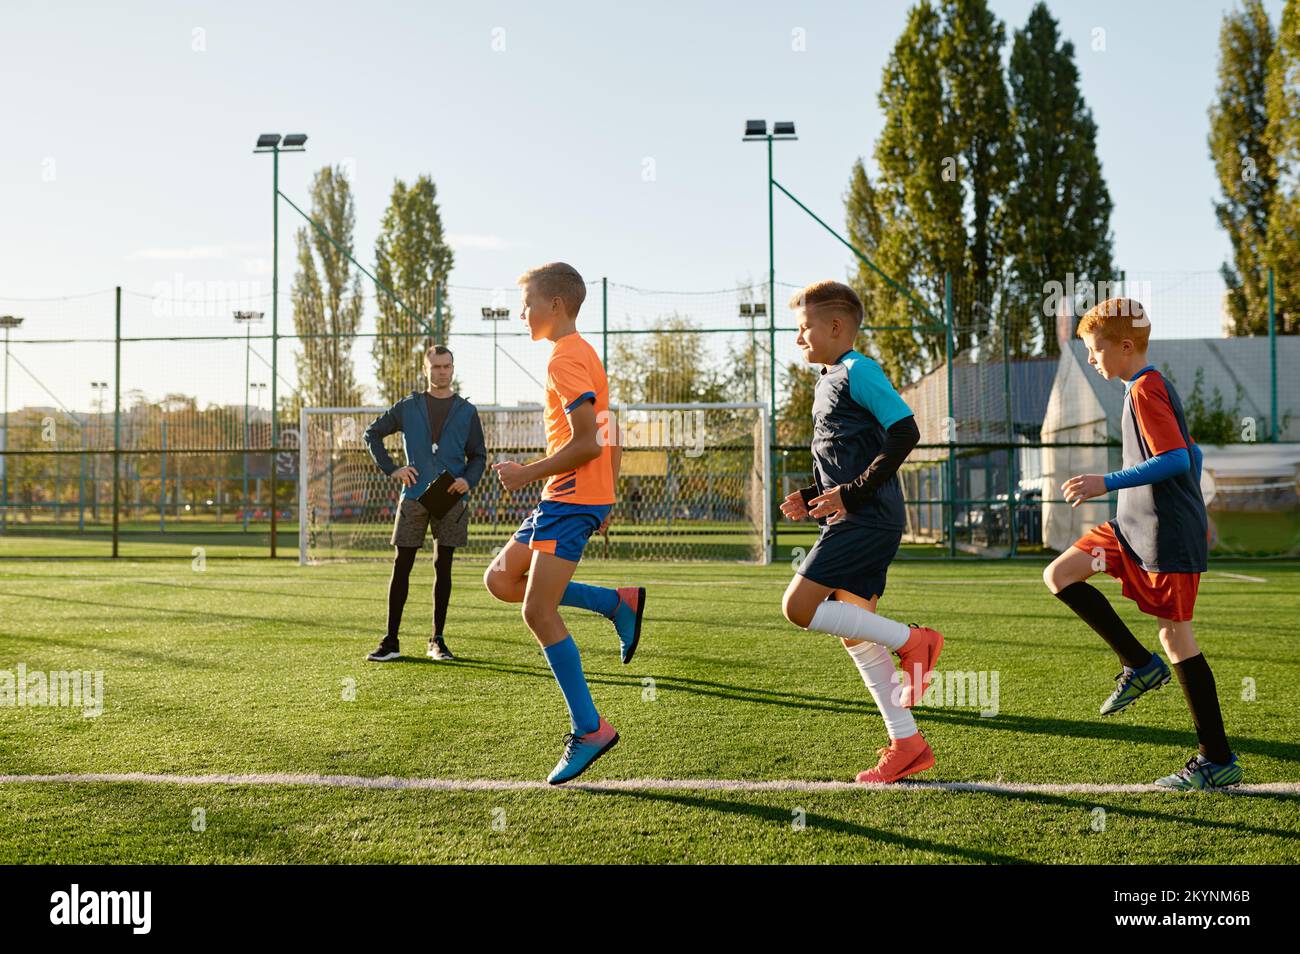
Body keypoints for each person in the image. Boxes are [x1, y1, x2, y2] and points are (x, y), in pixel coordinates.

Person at [1044, 298, 1241, 790]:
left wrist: (1104, 482)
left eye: (1095, 350)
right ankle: (1138, 665)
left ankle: (1216, 759)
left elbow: (1175, 458)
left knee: (1176, 637)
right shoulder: (1143, 386)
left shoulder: (1146, 388)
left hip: (1165, 534)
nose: (1091, 359)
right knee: (1060, 575)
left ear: (1125, 347)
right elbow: (1191, 453)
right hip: (1130, 528)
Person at [482, 262, 646, 784]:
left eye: (527, 303)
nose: (521, 313)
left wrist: (525, 473)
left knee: (537, 610)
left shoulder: (563, 359)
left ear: (555, 305)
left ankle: (590, 728)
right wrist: (609, 494)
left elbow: (588, 441)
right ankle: (616, 602)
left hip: (568, 499)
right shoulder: (584, 353)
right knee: (500, 580)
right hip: (574, 498)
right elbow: (609, 428)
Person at [777, 280, 944, 784]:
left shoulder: (859, 369)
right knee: (856, 635)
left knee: (798, 608)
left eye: (804, 327)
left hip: (865, 518)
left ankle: (916, 640)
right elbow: (848, 452)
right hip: (854, 514)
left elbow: (905, 431)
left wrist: (850, 494)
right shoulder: (828, 379)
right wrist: (813, 495)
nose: (798, 337)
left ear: (835, 326)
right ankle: (907, 744)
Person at [363, 345, 486, 662]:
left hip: (450, 496)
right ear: (425, 369)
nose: (441, 372)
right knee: (401, 565)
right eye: (435, 367)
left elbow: (478, 456)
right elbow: (372, 434)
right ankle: (391, 641)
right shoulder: (408, 406)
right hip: (414, 494)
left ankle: (438, 641)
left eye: (446, 366)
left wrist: (468, 480)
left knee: (443, 567)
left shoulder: (466, 411)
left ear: (453, 369)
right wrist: (394, 469)